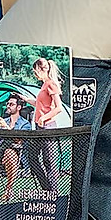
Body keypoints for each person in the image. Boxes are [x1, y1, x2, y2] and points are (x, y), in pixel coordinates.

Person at [27, 57, 69, 193]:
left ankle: (53, 192)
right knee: (33, 158)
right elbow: (40, 104)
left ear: (40, 69)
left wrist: (44, 117)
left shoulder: (51, 84)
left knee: (49, 161)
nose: (35, 75)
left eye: (35, 71)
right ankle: (47, 189)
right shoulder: (44, 85)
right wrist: (26, 99)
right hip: (39, 127)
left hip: (48, 127)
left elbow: (59, 107)